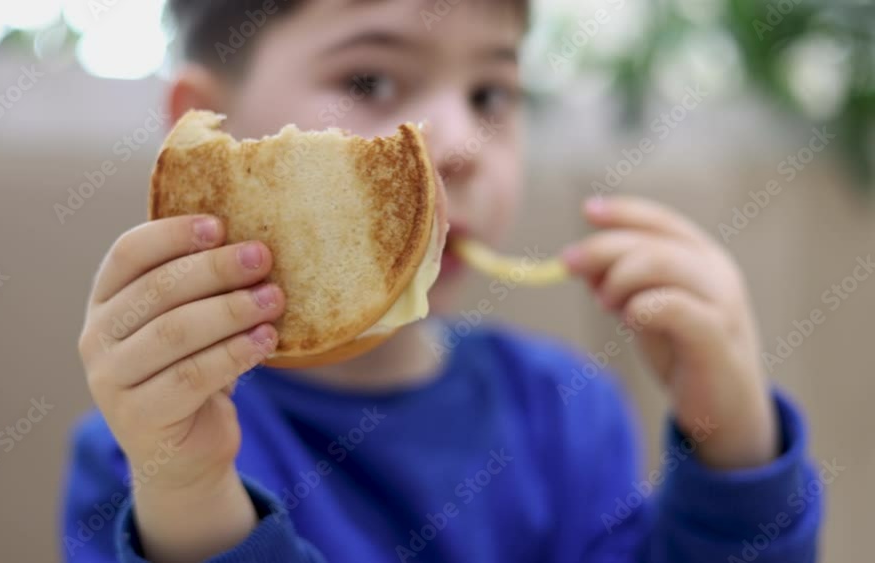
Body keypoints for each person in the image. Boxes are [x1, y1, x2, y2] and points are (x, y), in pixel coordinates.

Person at [63, 1, 822, 561]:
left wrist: (737, 441)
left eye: (489, 94)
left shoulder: (568, 408)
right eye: (370, 80)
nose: (458, 145)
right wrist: (192, 497)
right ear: (206, 130)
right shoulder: (149, 450)